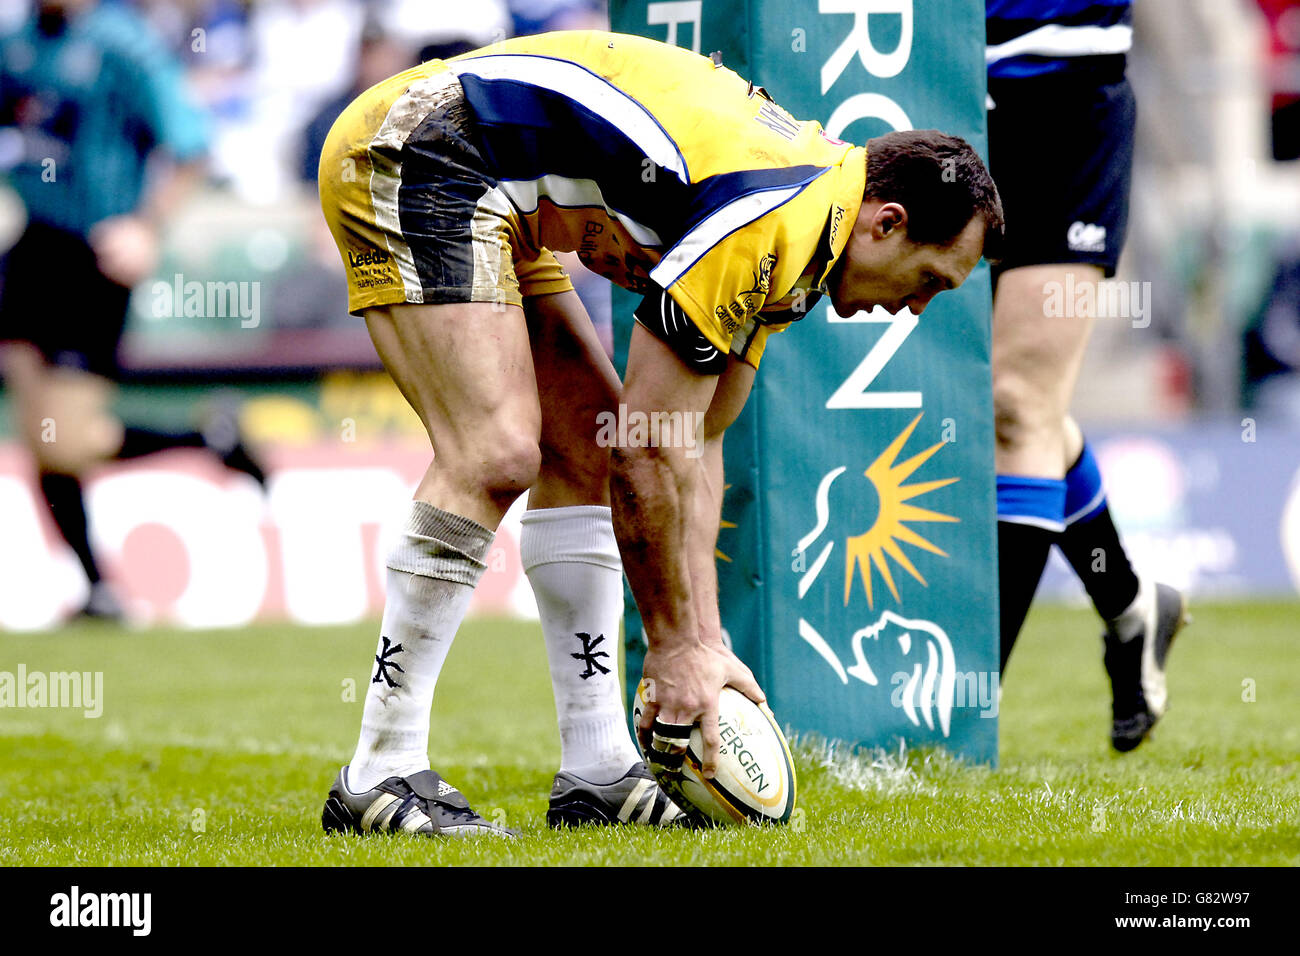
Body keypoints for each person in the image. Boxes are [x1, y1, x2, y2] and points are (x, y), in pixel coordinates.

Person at [317, 30, 1003, 837]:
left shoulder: (809, 228)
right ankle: (380, 769)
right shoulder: (773, 216)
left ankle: (599, 769)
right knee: (497, 451)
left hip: (496, 193)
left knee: (576, 452)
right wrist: (671, 649)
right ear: (887, 223)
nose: (916, 308)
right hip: (418, 148)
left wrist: (705, 646)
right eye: (928, 281)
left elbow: (696, 443)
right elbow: (648, 449)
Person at [0, 0, 265, 623]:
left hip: (94, 256)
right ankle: (95, 589)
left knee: (65, 440)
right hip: (33, 245)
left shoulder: (124, 44)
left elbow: (193, 146)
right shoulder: (20, 42)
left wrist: (146, 229)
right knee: (38, 433)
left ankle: (207, 438)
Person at [985, 0, 1187, 750]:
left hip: (1065, 91)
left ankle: (969, 707)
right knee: (1001, 399)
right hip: (925, 81)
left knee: (1016, 402)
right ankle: (1131, 605)